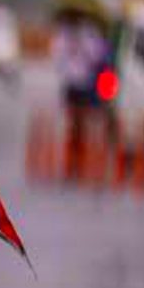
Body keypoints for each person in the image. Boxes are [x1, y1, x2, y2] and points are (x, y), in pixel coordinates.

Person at [51, 13, 112, 179]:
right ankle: (70, 164)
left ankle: (82, 163)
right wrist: (69, 50)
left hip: (86, 84)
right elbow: (57, 58)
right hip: (71, 84)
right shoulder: (64, 34)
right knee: (72, 125)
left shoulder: (90, 34)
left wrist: (83, 48)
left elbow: (98, 56)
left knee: (84, 126)